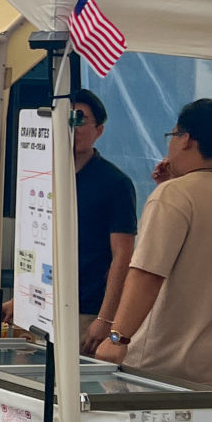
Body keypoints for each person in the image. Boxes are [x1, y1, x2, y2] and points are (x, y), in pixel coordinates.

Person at [96, 98, 212, 389]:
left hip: (167, 363)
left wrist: (117, 337)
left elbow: (147, 274)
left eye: (172, 135)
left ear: (186, 139)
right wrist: (170, 185)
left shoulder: (175, 196)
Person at [69, 91, 139, 357]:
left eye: (80, 120)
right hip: (45, 308)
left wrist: (106, 319)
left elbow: (122, 255)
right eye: (65, 119)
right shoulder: (44, 177)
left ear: (98, 130)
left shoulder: (115, 183)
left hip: (87, 310)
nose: (71, 127)